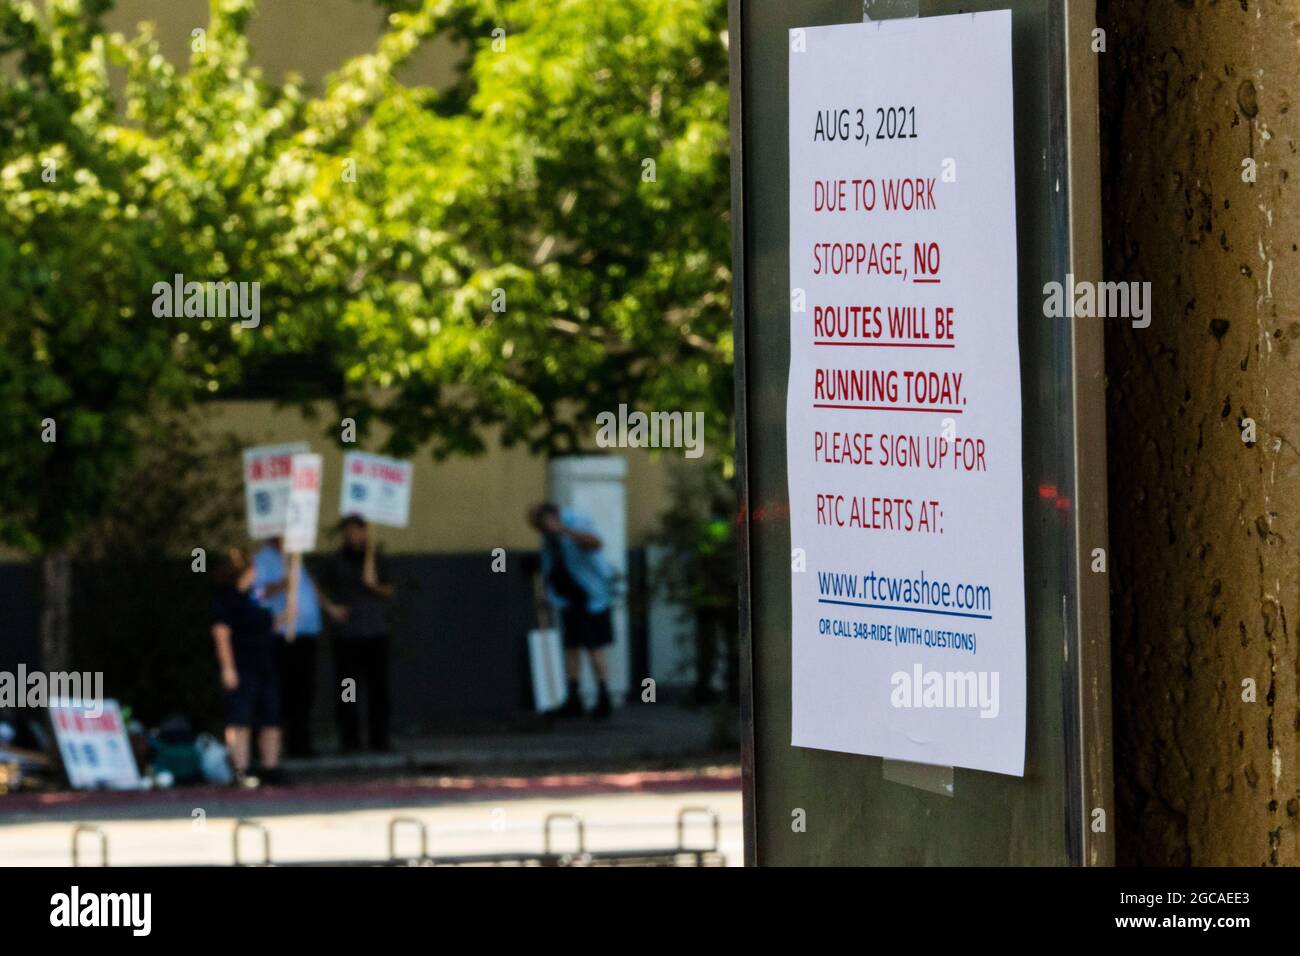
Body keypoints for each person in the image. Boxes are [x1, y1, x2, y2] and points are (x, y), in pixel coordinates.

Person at [528, 501, 616, 719]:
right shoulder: (548, 536)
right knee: (572, 646)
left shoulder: (576, 522)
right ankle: (573, 696)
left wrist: (565, 531)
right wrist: (549, 595)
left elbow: (596, 543)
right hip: (569, 598)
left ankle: (604, 696)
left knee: (594, 647)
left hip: (592, 595)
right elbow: (550, 563)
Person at [317, 515, 397, 753]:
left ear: (365, 532)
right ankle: (350, 739)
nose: (352, 536)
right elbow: (316, 584)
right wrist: (331, 608)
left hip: (374, 634)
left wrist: (373, 585)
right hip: (347, 637)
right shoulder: (335, 561)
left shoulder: (377, 559)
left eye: (357, 531)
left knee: (377, 689)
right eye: (348, 531)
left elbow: (390, 590)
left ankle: (378, 738)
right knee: (348, 689)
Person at [210, 548, 282, 785]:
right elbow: (221, 634)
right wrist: (228, 668)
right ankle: (241, 770)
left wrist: (288, 612)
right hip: (242, 667)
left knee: (270, 717)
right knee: (240, 719)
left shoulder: (255, 596)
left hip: (265, 665)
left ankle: (270, 768)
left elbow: (268, 621)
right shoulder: (225, 599)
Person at [252, 537, 327, 758]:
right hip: (279, 635)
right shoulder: (261, 560)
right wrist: (279, 586)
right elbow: (253, 597)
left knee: (303, 691)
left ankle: (300, 743)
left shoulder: (296, 558)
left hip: (305, 634)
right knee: (281, 691)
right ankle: (272, 749)